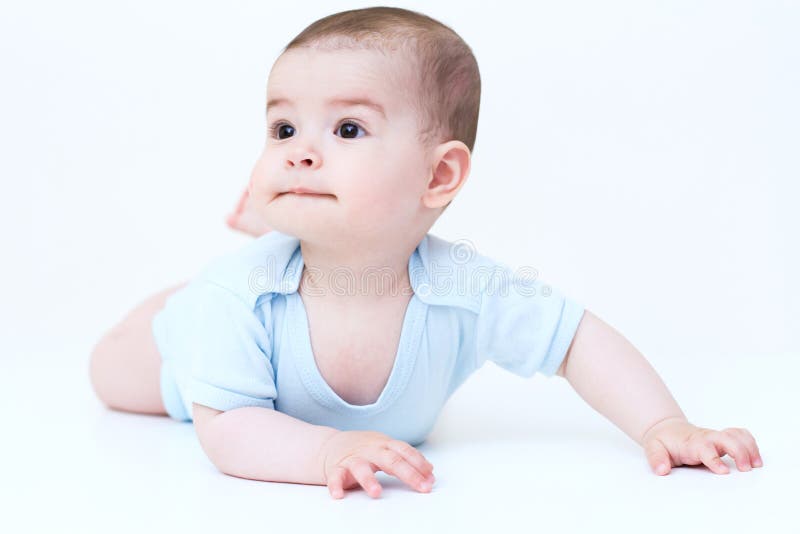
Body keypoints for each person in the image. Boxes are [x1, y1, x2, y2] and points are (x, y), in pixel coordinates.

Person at [89, 6, 762, 500]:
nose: (299, 149)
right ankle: (200, 282)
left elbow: (577, 340)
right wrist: (329, 449)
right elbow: (228, 429)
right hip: (186, 350)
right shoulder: (236, 297)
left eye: (347, 128)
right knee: (111, 375)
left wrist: (664, 422)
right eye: (283, 127)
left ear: (438, 177)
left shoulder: (464, 287)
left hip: (239, 294)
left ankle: (269, 226)